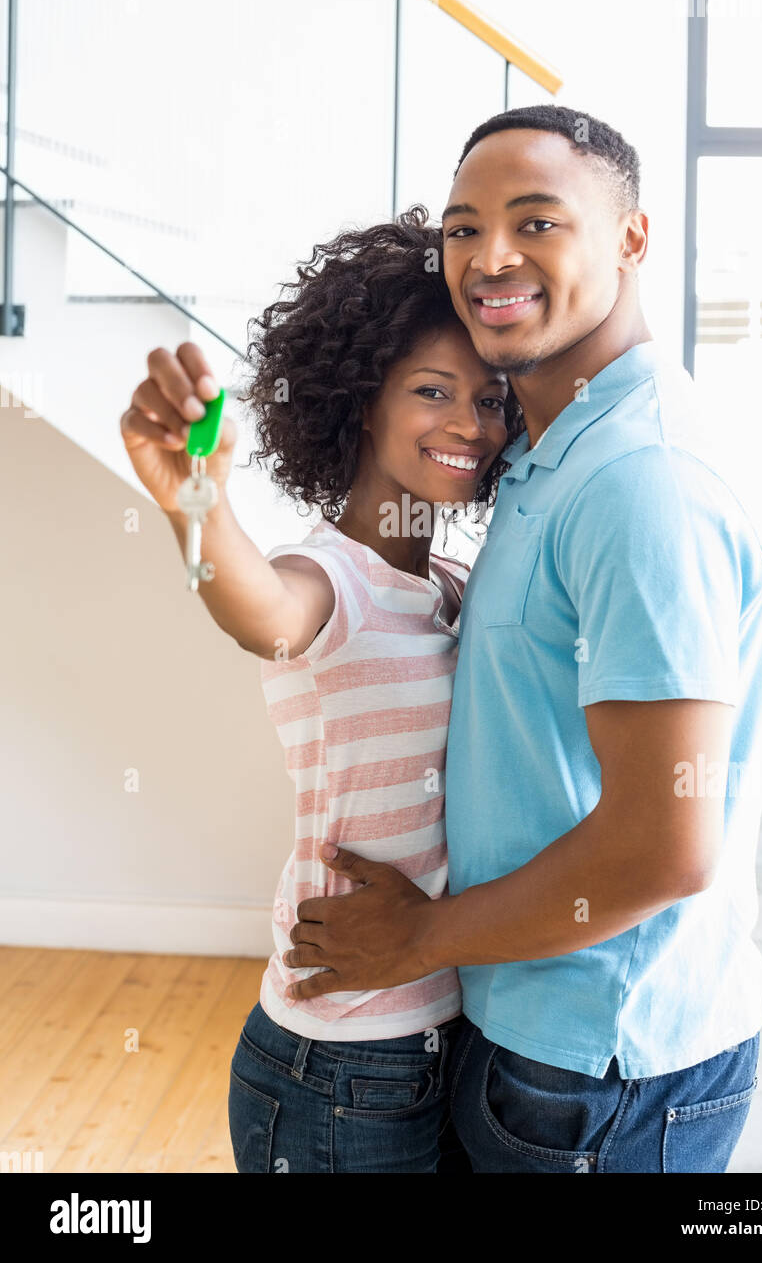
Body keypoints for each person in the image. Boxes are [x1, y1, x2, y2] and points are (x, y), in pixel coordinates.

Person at [282, 106, 762, 1174]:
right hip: (528, 1039)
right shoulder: (548, 450)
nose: (489, 257)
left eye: (535, 221)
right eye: (462, 228)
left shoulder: (638, 482)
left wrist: (420, 937)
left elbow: (665, 845)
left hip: (599, 1075)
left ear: (630, 240)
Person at [118, 206, 520, 1172]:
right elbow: (261, 608)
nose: (470, 422)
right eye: (433, 390)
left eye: (492, 397)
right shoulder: (327, 582)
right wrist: (197, 507)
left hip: (443, 1038)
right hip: (337, 1062)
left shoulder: (456, 587)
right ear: (358, 402)